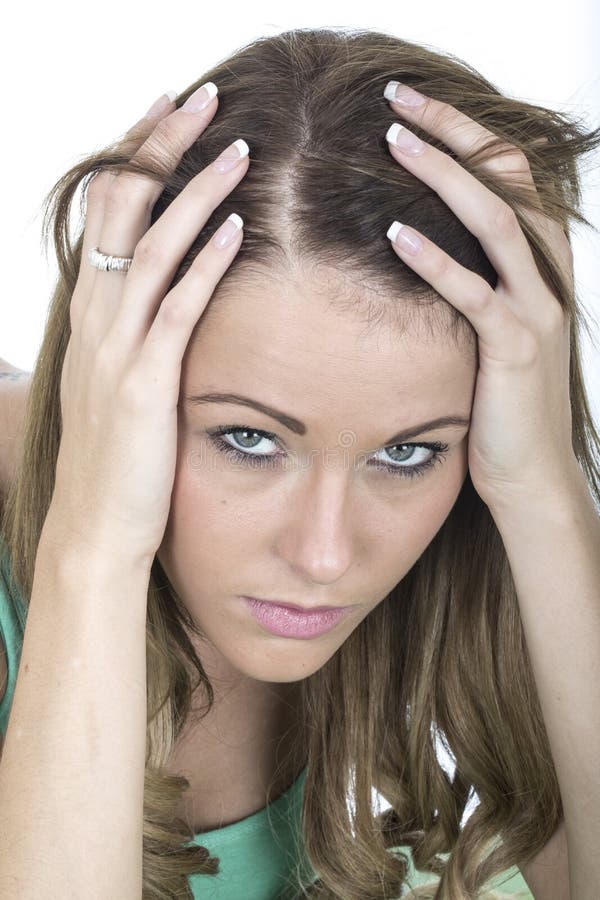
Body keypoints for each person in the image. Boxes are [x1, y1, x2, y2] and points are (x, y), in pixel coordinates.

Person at [0, 25, 598, 900]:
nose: (324, 557)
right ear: (114, 367)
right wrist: (93, 546)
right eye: (248, 439)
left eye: (407, 452)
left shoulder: (474, 542)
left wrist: (542, 488)